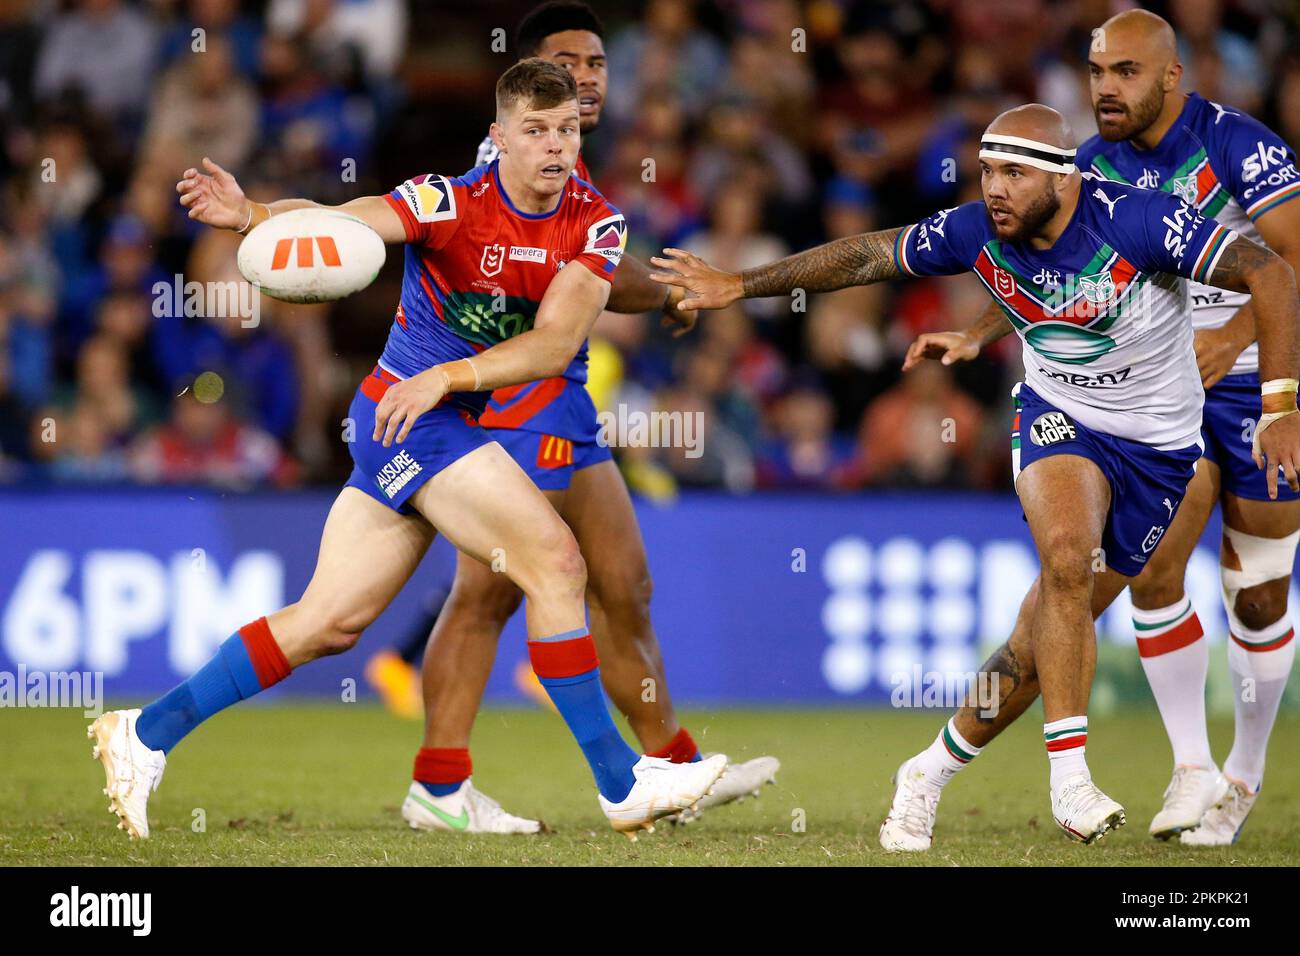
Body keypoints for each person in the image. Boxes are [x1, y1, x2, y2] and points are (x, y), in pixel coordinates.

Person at [88, 57, 726, 841]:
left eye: (567, 130)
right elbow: (345, 221)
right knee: (556, 564)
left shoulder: (593, 224)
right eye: (536, 131)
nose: (556, 147)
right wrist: (255, 214)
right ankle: (621, 783)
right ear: (500, 137)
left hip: (428, 414)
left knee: (328, 621)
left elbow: (556, 344)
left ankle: (144, 733)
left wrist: (451, 374)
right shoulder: (448, 201)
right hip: (407, 420)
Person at [650, 102, 1300, 848]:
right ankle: (1072, 778)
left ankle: (927, 771)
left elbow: (1274, 274)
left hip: (1158, 449)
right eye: (988, 171)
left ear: (1065, 181)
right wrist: (740, 284)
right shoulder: (978, 228)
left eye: (1014, 174)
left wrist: (1279, 405)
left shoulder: (1143, 221)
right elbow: (867, 255)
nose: (994, 188)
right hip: (1060, 416)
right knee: (1066, 558)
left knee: (1035, 643)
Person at [897, 9, 1300, 849]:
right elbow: (1052, 272)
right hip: (1155, 402)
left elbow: (1287, 267)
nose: (1104, 88)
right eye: (1095, 72)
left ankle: (1243, 774)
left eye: (1122, 72)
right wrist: (980, 331)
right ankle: (1190, 763)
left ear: (1169, 78)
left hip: (1260, 374)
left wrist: (1250, 359)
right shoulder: (1079, 167)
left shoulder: (1239, 147)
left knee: (1258, 591)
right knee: (1112, 585)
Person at [374, 1, 778, 835]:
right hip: (513, 395)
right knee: (488, 591)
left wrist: (653, 291)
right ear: (522, 87)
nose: (589, 76)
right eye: (568, 62)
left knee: (624, 584)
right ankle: (443, 784)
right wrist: (663, 291)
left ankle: (673, 768)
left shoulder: (571, 164)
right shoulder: (517, 164)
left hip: (566, 395)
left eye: (597, 62)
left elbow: (589, 267)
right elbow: (547, 273)